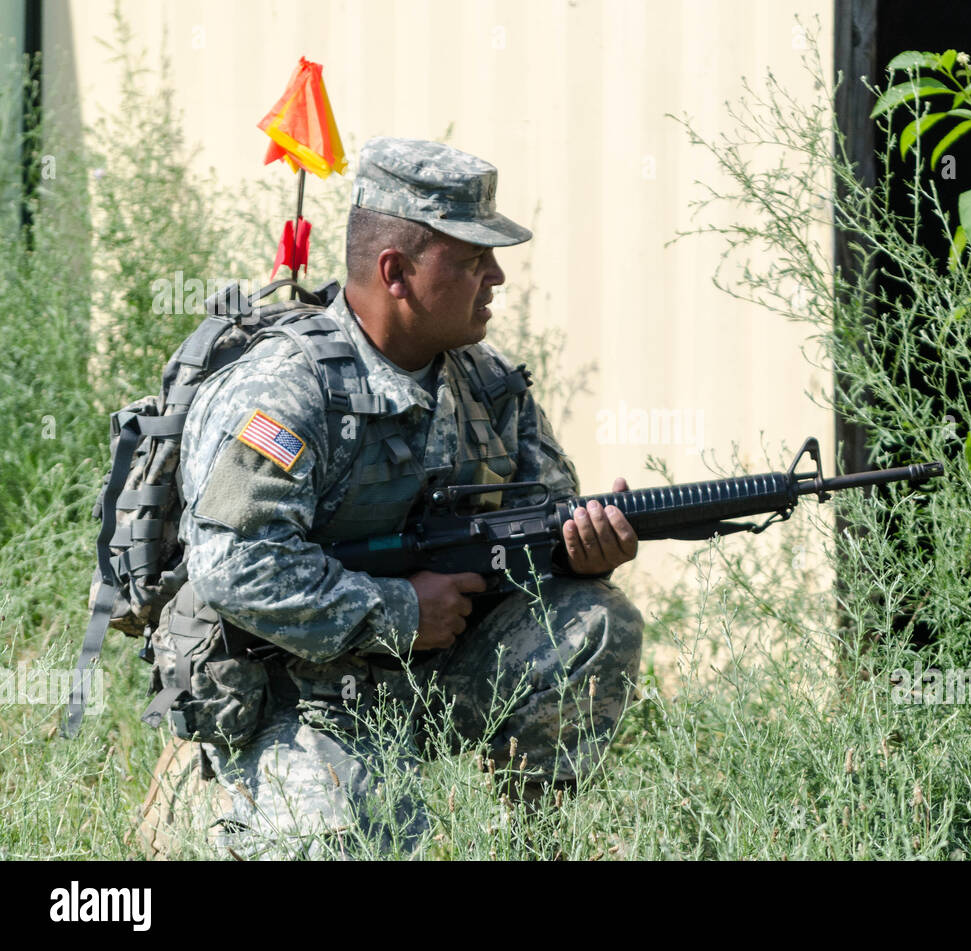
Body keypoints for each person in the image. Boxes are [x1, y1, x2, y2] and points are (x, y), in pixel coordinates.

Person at [137, 138, 644, 860]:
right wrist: (404, 611)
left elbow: (541, 528)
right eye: (472, 259)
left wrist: (585, 549)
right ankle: (203, 791)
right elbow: (236, 566)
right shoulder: (285, 392)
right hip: (295, 688)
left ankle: (534, 844)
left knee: (595, 621)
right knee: (355, 844)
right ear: (396, 272)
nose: (496, 275)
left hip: (432, 671)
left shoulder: (489, 384)